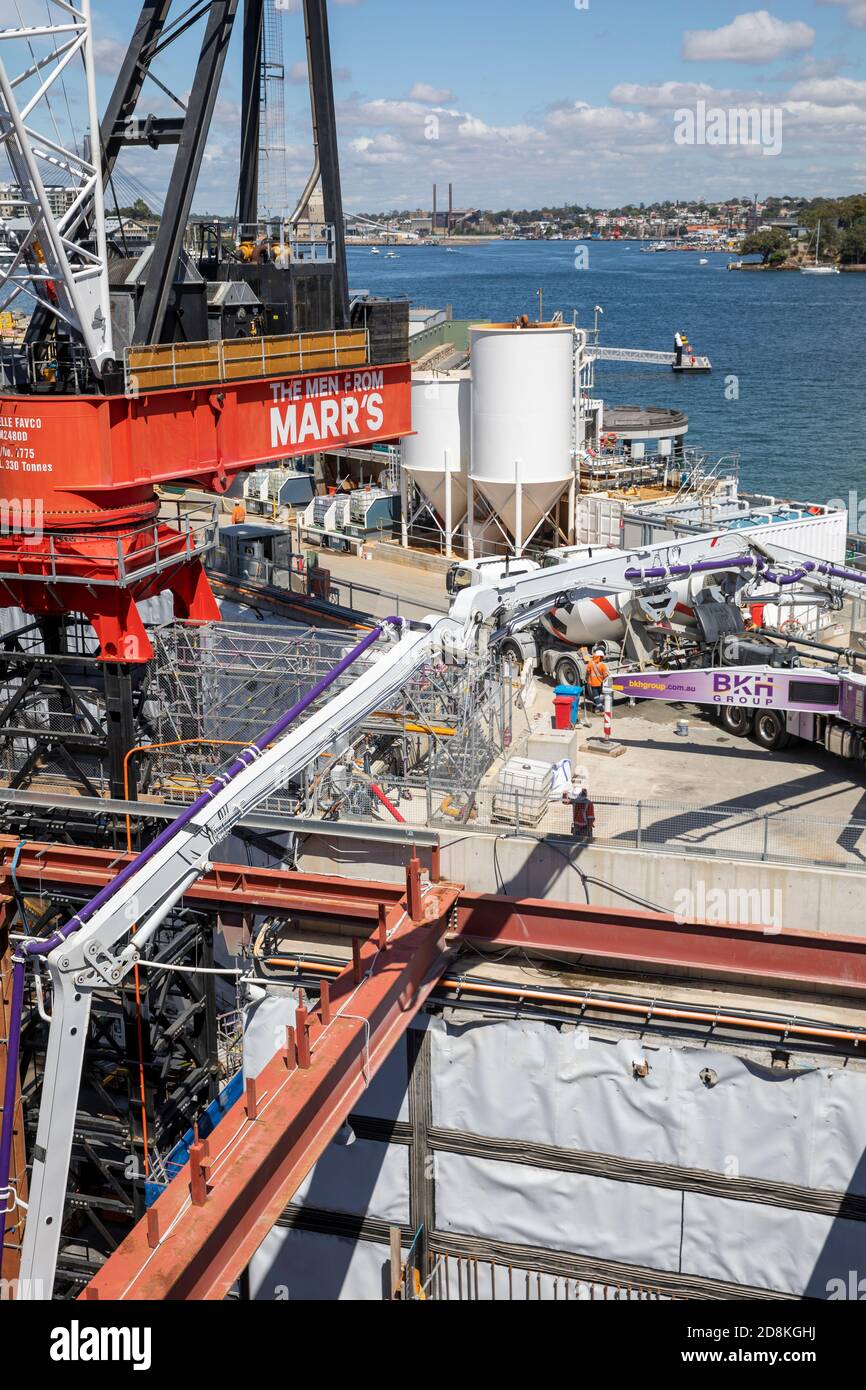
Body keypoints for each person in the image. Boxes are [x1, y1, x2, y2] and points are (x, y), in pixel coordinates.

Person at [584, 646, 609, 712]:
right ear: (600, 657)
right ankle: (598, 707)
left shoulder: (590, 663)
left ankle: (601, 708)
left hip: (592, 683)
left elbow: (587, 672)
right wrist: (603, 679)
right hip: (600, 683)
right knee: (598, 695)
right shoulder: (602, 665)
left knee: (596, 696)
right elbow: (606, 674)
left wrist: (586, 679)